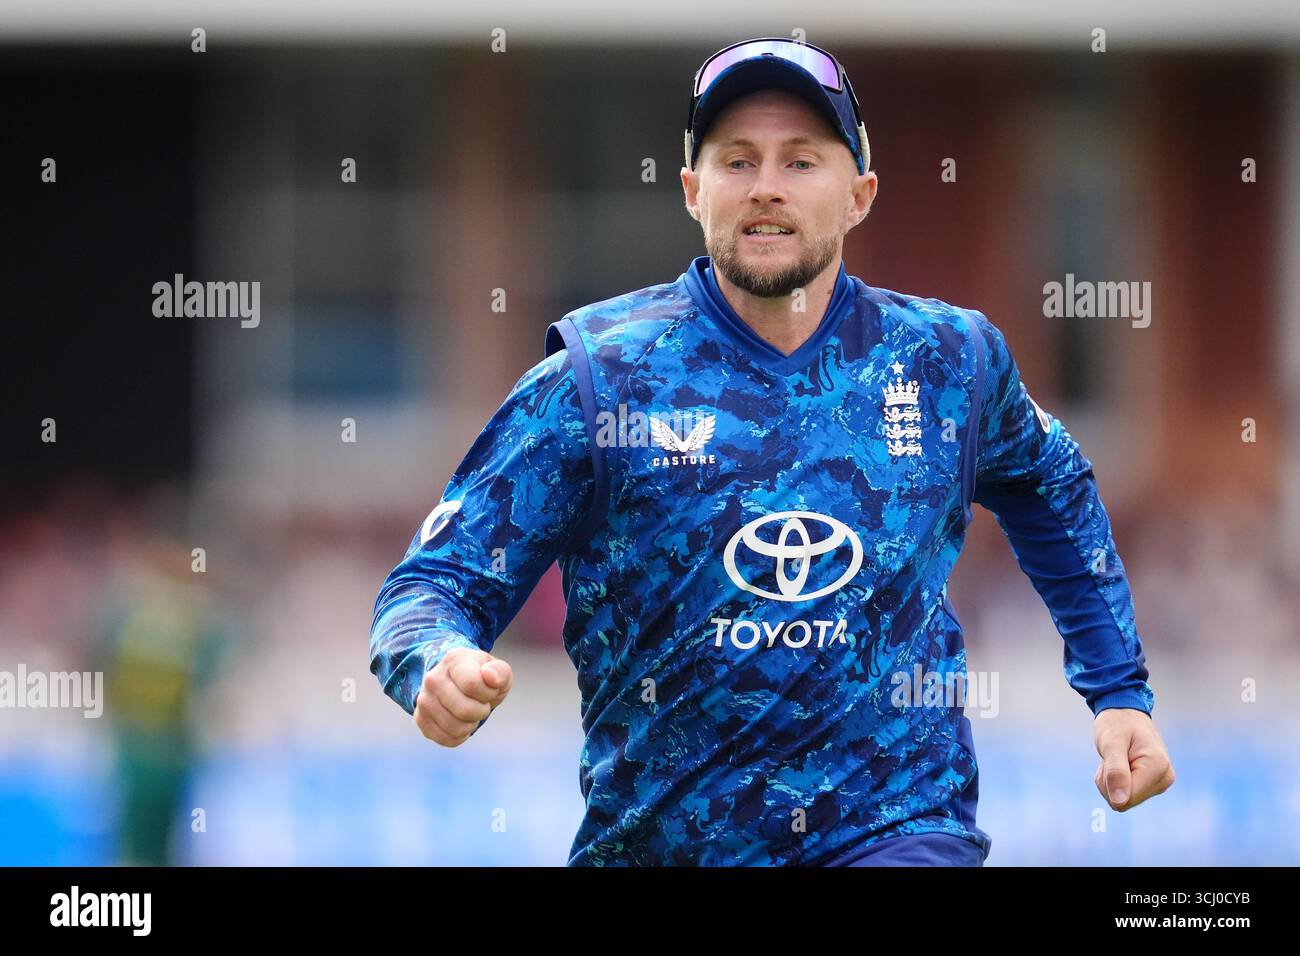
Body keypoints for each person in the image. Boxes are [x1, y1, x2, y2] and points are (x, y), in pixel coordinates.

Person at [370, 36, 1174, 866]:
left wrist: (1117, 693)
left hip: (898, 833)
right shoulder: (596, 376)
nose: (765, 188)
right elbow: (431, 584)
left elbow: (1054, 486)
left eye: (800, 163)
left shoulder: (951, 361)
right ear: (692, 189)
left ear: (860, 193)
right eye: (737, 161)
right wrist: (435, 660)